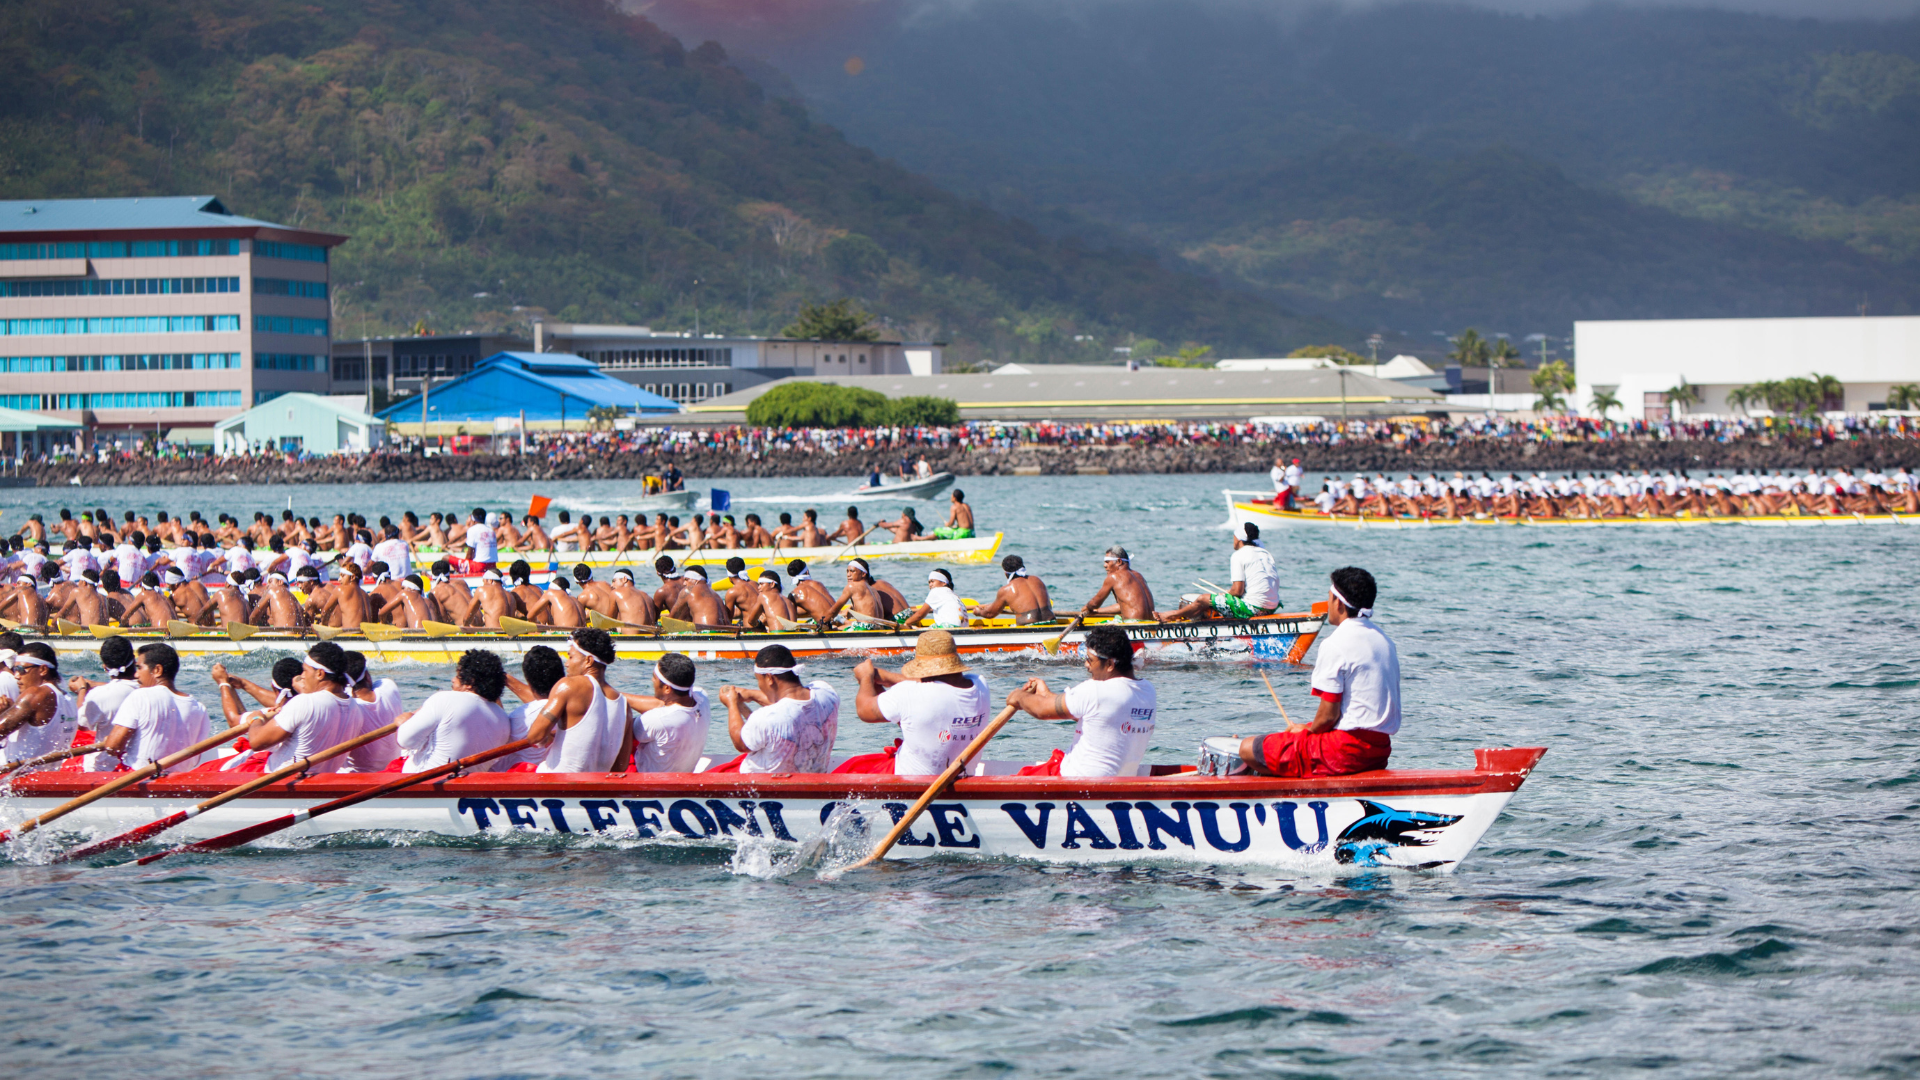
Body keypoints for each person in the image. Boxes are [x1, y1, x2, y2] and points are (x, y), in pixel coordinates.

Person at [1238, 566, 1396, 777]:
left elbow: (1328, 717)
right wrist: (1307, 728)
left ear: (1338, 603)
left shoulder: (1336, 643)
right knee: (1295, 734)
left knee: (1248, 748)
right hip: (1380, 750)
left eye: (1329, 598)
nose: (1328, 604)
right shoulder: (1384, 640)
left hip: (1345, 753)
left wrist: (1308, 732)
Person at [1006, 625, 1155, 777]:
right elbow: (1093, 712)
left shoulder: (1095, 689)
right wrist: (1046, 694)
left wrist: (1019, 696)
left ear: (1110, 664)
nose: (1086, 665)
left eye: (1090, 660)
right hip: (1121, 780)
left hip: (1076, 780)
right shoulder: (1147, 690)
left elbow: (1041, 711)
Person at [843, 631, 991, 775]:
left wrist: (865, 677)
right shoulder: (980, 685)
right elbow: (936, 686)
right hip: (962, 777)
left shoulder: (908, 694)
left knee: (854, 766)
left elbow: (864, 709)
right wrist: (887, 678)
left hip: (910, 780)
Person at [242, 643, 362, 773]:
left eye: (305, 670)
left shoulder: (305, 702)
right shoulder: (356, 708)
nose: (302, 676)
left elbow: (256, 743)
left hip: (283, 784)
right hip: (322, 785)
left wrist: (256, 718)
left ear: (320, 674)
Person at [719, 644, 840, 774]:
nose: (759, 685)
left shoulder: (765, 718)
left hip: (764, 786)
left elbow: (740, 743)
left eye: (758, 679)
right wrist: (751, 695)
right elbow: (793, 705)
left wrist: (731, 703)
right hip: (813, 780)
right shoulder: (827, 693)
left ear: (770, 678)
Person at [524, 629, 626, 773]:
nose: (566, 664)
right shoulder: (624, 704)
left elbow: (535, 737)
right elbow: (620, 766)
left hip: (557, 782)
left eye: (570, 657)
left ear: (588, 660)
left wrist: (546, 738)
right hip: (598, 788)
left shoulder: (568, 686)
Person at [395, 650, 514, 773]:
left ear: (470, 682)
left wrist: (404, 722)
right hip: (468, 788)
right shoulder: (503, 718)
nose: (453, 680)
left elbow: (405, 741)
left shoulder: (444, 698)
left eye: (457, 676)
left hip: (423, 785)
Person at [98, 643, 209, 769]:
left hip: (138, 780)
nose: (136, 675)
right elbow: (195, 759)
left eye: (139, 668)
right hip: (178, 782)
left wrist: (110, 741)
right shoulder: (199, 707)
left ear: (157, 670)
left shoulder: (140, 695)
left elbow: (113, 747)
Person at [1157, 522, 1281, 621]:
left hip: (1253, 608)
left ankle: (1172, 616)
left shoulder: (1239, 555)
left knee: (1203, 599)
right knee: (1217, 600)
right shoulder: (1266, 553)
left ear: (1238, 539)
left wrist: (1227, 594)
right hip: (1271, 607)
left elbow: (1237, 591)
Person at [622, 652, 710, 773]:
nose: (652, 680)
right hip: (682, 776)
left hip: (647, 781)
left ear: (667, 688)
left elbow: (623, 733)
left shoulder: (657, 719)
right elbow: (662, 704)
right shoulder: (702, 697)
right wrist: (618, 696)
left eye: (654, 677)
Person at [69, 636, 142, 770]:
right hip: (136, 766)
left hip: (104, 768)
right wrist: (96, 685)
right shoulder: (149, 689)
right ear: (134, 659)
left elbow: (79, 726)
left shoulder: (100, 695)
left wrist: (81, 690)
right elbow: (124, 688)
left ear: (104, 667)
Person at [0, 643, 78, 767]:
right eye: (15, 670)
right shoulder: (68, 698)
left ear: (43, 670)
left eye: (21, 669)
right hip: (48, 777)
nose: (16, 676)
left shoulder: (36, 694)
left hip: (18, 779)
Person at [972, 554, 1055, 624]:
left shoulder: (1006, 590)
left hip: (1029, 626)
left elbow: (989, 614)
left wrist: (978, 612)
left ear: (1006, 574)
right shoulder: (1037, 580)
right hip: (1052, 623)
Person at [1081, 546, 1155, 620]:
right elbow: (1125, 605)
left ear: (1119, 562)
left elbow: (1094, 603)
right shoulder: (1138, 575)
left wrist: (1087, 608)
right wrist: (1097, 611)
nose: (1105, 565)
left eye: (1107, 562)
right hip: (1151, 624)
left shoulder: (1114, 577)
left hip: (1133, 624)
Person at [899, 568, 968, 628]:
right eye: (929, 582)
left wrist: (906, 623)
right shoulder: (954, 595)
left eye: (932, 581)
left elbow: (920, 615)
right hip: (963, 628)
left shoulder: (936, 591)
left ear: (944, 582)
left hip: (949, 628)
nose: (930, 585)